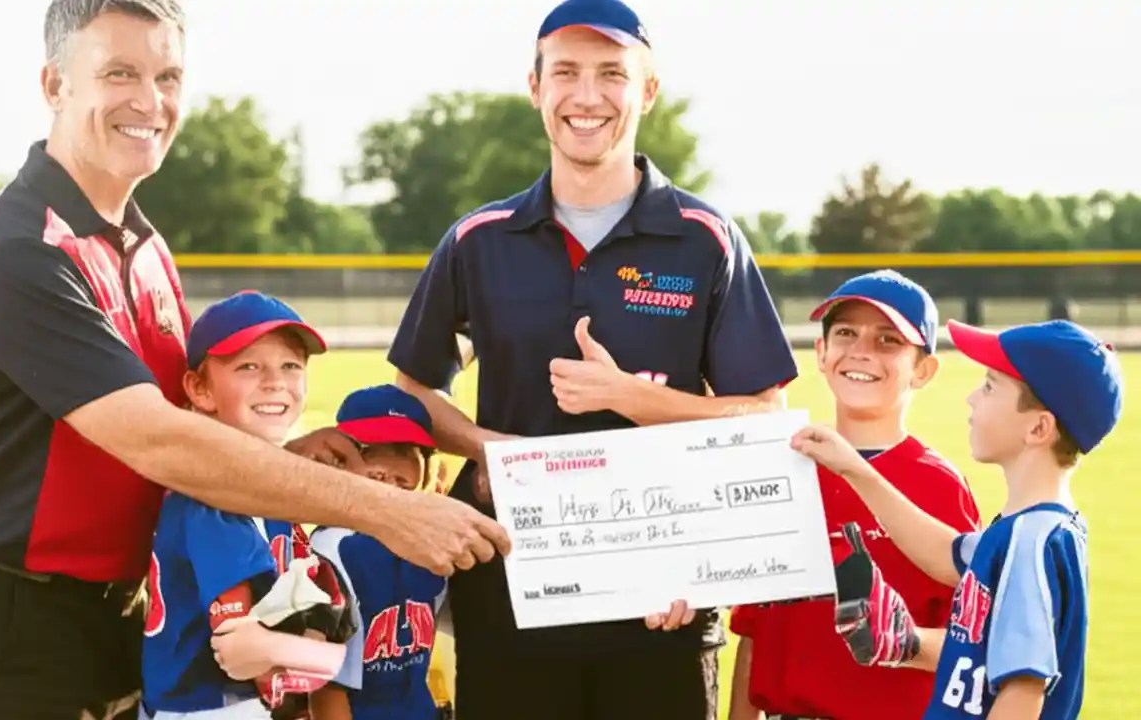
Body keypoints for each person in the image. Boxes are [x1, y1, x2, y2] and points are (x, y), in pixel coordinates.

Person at [0, 2, 508, 718]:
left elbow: (191, 421)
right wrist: (388, 512)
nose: (149, 101)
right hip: (4, 624)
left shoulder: (145, 247)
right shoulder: (22, 253)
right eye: (119, 72)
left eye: (168, 76)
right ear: (56, 86)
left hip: (124, 614)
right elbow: (160, 440)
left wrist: (291, 454)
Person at [386, 1, 799, 716]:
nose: (586, 96)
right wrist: (495, 451)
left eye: (612, 73)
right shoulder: (478, 240)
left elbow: (763, 415)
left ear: (647, 91)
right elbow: (413, 391)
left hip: (663, 590)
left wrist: (632, 398)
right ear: (535, 86)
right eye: (566, 72)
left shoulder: (705, 238)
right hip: (512, 579)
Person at [792, 319, 1122, 719]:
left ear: (1038, 428)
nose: (971, 398)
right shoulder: (1029, 528)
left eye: (988, 386)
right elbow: (946, 555)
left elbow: (1023, 693)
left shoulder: (1030, 541)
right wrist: (855, 469)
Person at [727, 270, 982, 720]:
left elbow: (975, 642)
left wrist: (901, 641)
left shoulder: (937, 485)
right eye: (846, 333)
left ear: (923, 370)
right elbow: (753, 633)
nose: (862, 351)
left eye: (888, 340)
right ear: (821, 353)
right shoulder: (784, 470)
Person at [141, 291, 357, 720]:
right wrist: (341, 658)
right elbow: (240, 650)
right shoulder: (214, 499)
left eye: (291, 365)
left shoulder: (267, 487)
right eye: (249, 366)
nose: (275, 381)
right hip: (207, 709)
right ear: (200, 389)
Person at [308, 384, 449, 720]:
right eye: (370, 451)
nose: (388, 469)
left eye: (403, 452)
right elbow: (327, 683)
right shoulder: (333, 549)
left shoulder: (435, 545)